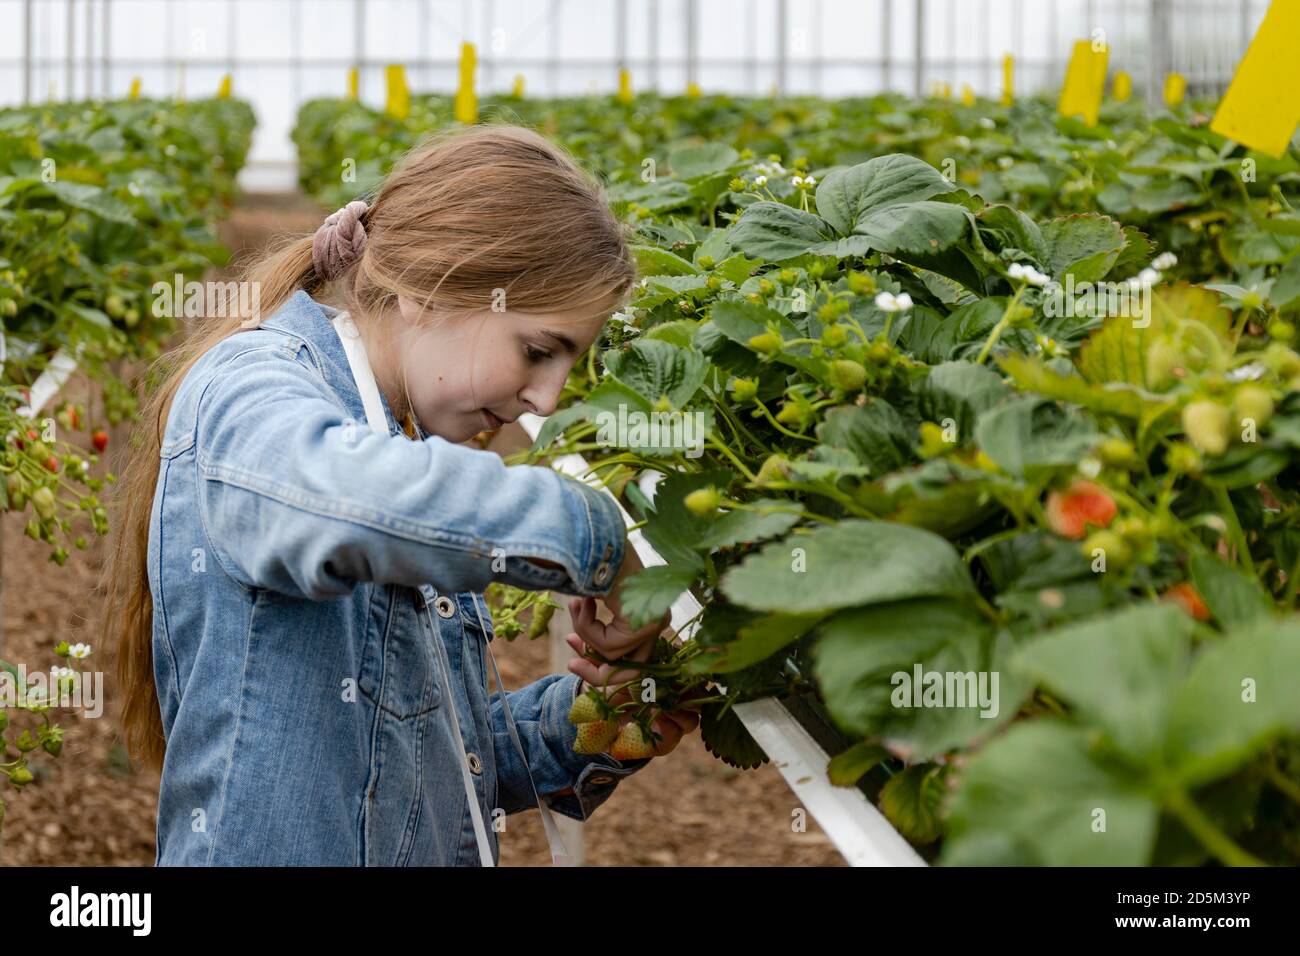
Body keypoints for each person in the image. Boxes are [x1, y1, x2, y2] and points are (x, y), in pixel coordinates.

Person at [98, 124, 699, 866]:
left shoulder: (401, 444)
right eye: (539, 351)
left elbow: (439, 765)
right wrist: (598, 539)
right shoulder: (251, 390)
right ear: (431, 290)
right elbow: (338, 497)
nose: (548, 399)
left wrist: (604, 719)